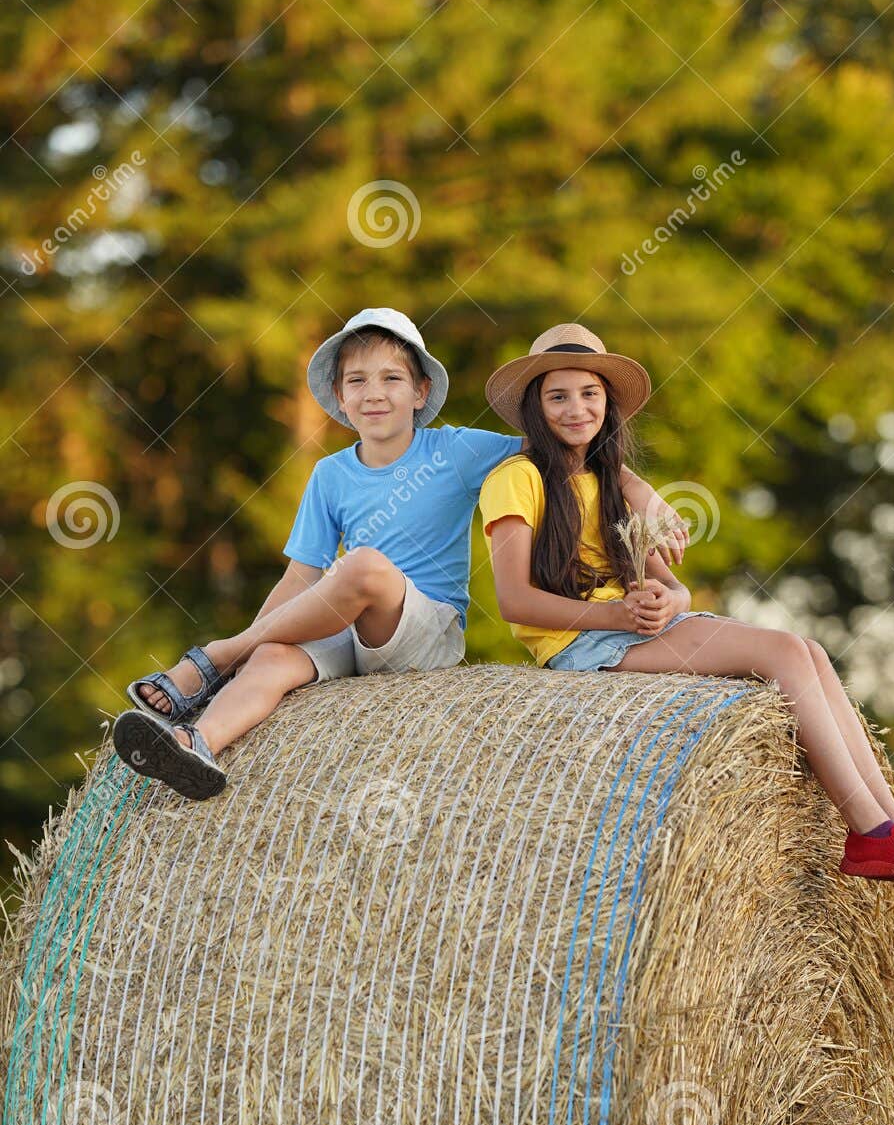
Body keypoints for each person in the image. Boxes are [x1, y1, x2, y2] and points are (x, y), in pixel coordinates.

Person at [477, 322, 894, 912]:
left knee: (810, 652)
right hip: (578, 644)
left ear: (607, 402)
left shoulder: (612, 483)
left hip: (631, 627)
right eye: (557, 395)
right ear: (535, 407)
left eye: (589, 393)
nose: (576, 407)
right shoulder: (517, 479)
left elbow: (674, 588)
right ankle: (869, 833)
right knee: (786, 653)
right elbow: (513, 602)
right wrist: (613, 616)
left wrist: (670, 601)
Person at [111, 308, 687, 800]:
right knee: (273, 658)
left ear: (420, 393)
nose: (374, 393)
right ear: (340, 397)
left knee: (362, 567)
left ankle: (214, 658)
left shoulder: (457, 450)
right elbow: (301, 578)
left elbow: (569, 444)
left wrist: (647, 493)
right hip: (351, 628)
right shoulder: (329, 474)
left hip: (426, 630)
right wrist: (267, 634)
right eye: (357, 381)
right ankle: (197, 744)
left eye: (391, 378)